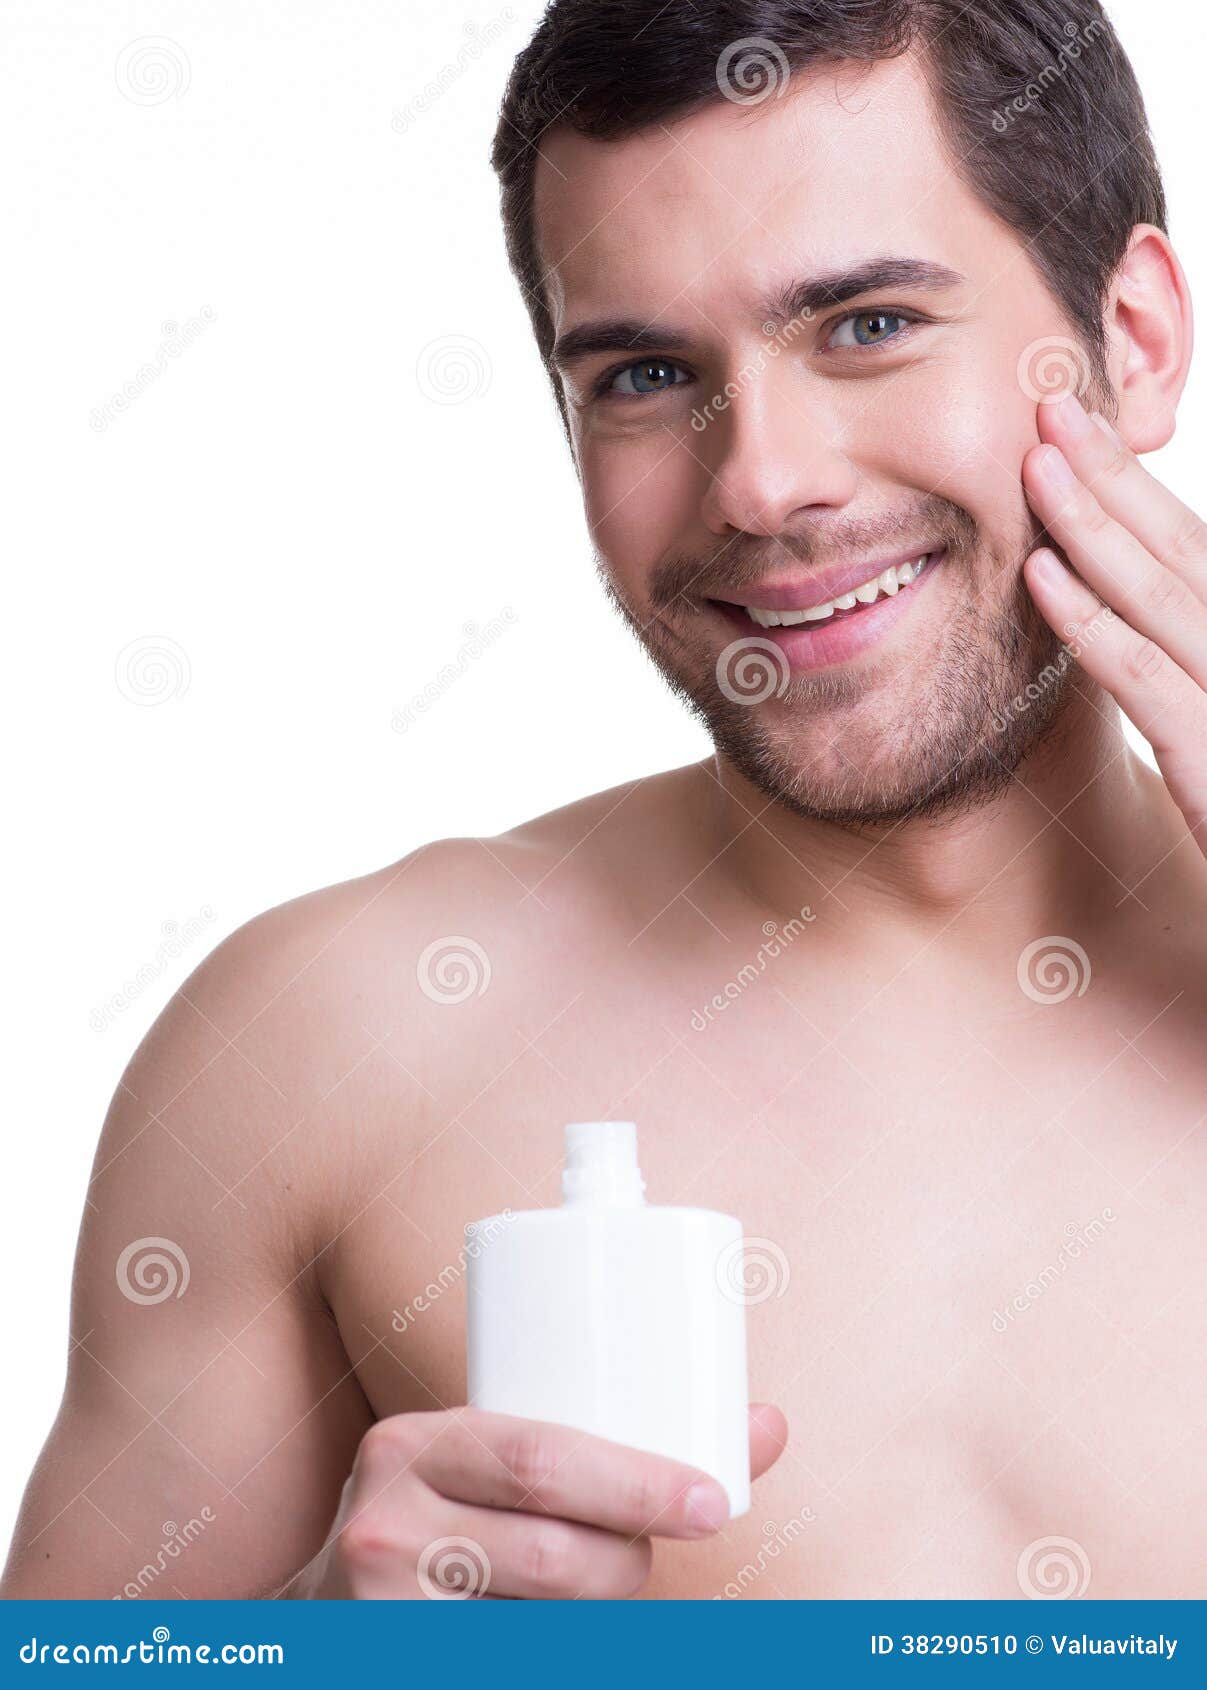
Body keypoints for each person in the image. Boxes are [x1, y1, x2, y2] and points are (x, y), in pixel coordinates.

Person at [5, 0, 1205, 1602]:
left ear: (1131, 339)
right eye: (646, 372)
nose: (764, 482)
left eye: (867, 326)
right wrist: (325, 1655)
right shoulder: (324, 1046)